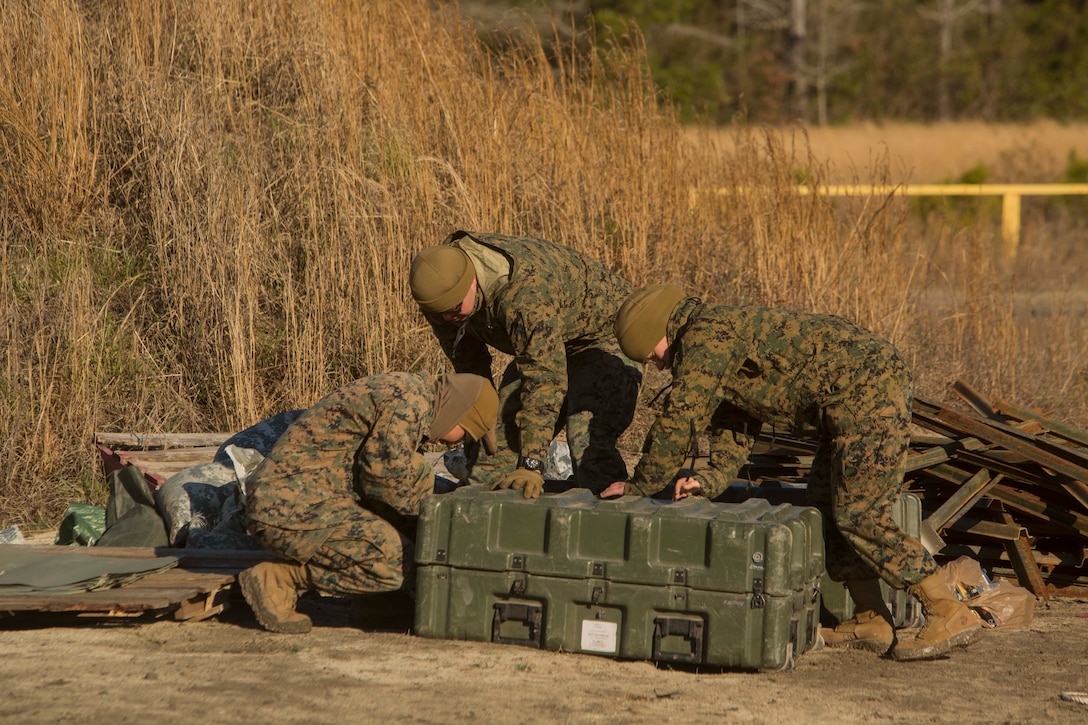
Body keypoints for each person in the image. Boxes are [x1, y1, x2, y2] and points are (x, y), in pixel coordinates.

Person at [605, 284, 983, 662]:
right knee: (824, 500)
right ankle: (871, 618)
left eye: (649, 354)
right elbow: (735, 422)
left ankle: (948, 611)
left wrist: (640, 485)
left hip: (868, 390)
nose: (654, 366)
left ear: (659, 329)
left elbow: (680, 419)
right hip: (845, 403)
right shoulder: (711, 338)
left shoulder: (707, 336)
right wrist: (710, 479)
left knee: (860, 513)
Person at [239, 372, 498, 634]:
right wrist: (439, 523)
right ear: (458, 411)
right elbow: (384, 479)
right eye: (465, 435)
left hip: (303, 500)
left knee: (410, 504)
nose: (458, 443)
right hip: (290, 507)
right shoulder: (407, 401)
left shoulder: (413, 395)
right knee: (394, 563)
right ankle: (280, 580)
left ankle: (380, 605)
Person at [408, 230, 642, 498]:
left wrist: (532, 464)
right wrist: (480, 419)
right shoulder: (440, 293)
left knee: (587, 444)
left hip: (605, 336)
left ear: (472, 282)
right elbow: (471, 367)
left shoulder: (524, 295)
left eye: (455, 310)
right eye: (442, 313)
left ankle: (611, 522)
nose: (449, 318)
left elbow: (545, 377)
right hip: (550, 341)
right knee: (494, 449)